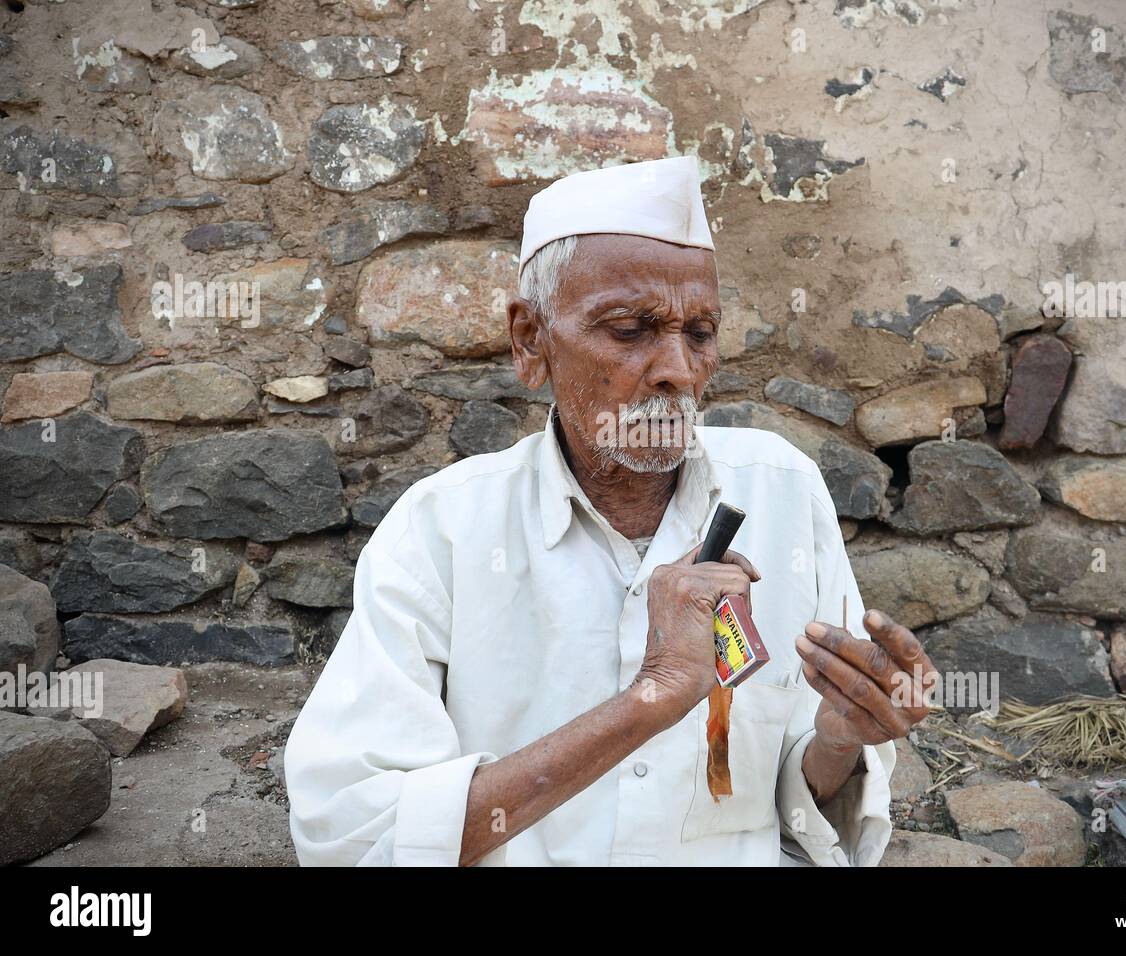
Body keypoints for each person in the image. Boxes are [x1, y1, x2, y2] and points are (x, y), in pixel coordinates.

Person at [284, 155, 937, 866]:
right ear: (530, 341)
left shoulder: (782, 488)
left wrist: (842, 736)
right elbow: (352, 834)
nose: (678, 372)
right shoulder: (442, 530)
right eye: (630, 329)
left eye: (700, 332)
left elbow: (797, 806)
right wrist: (649, 701)